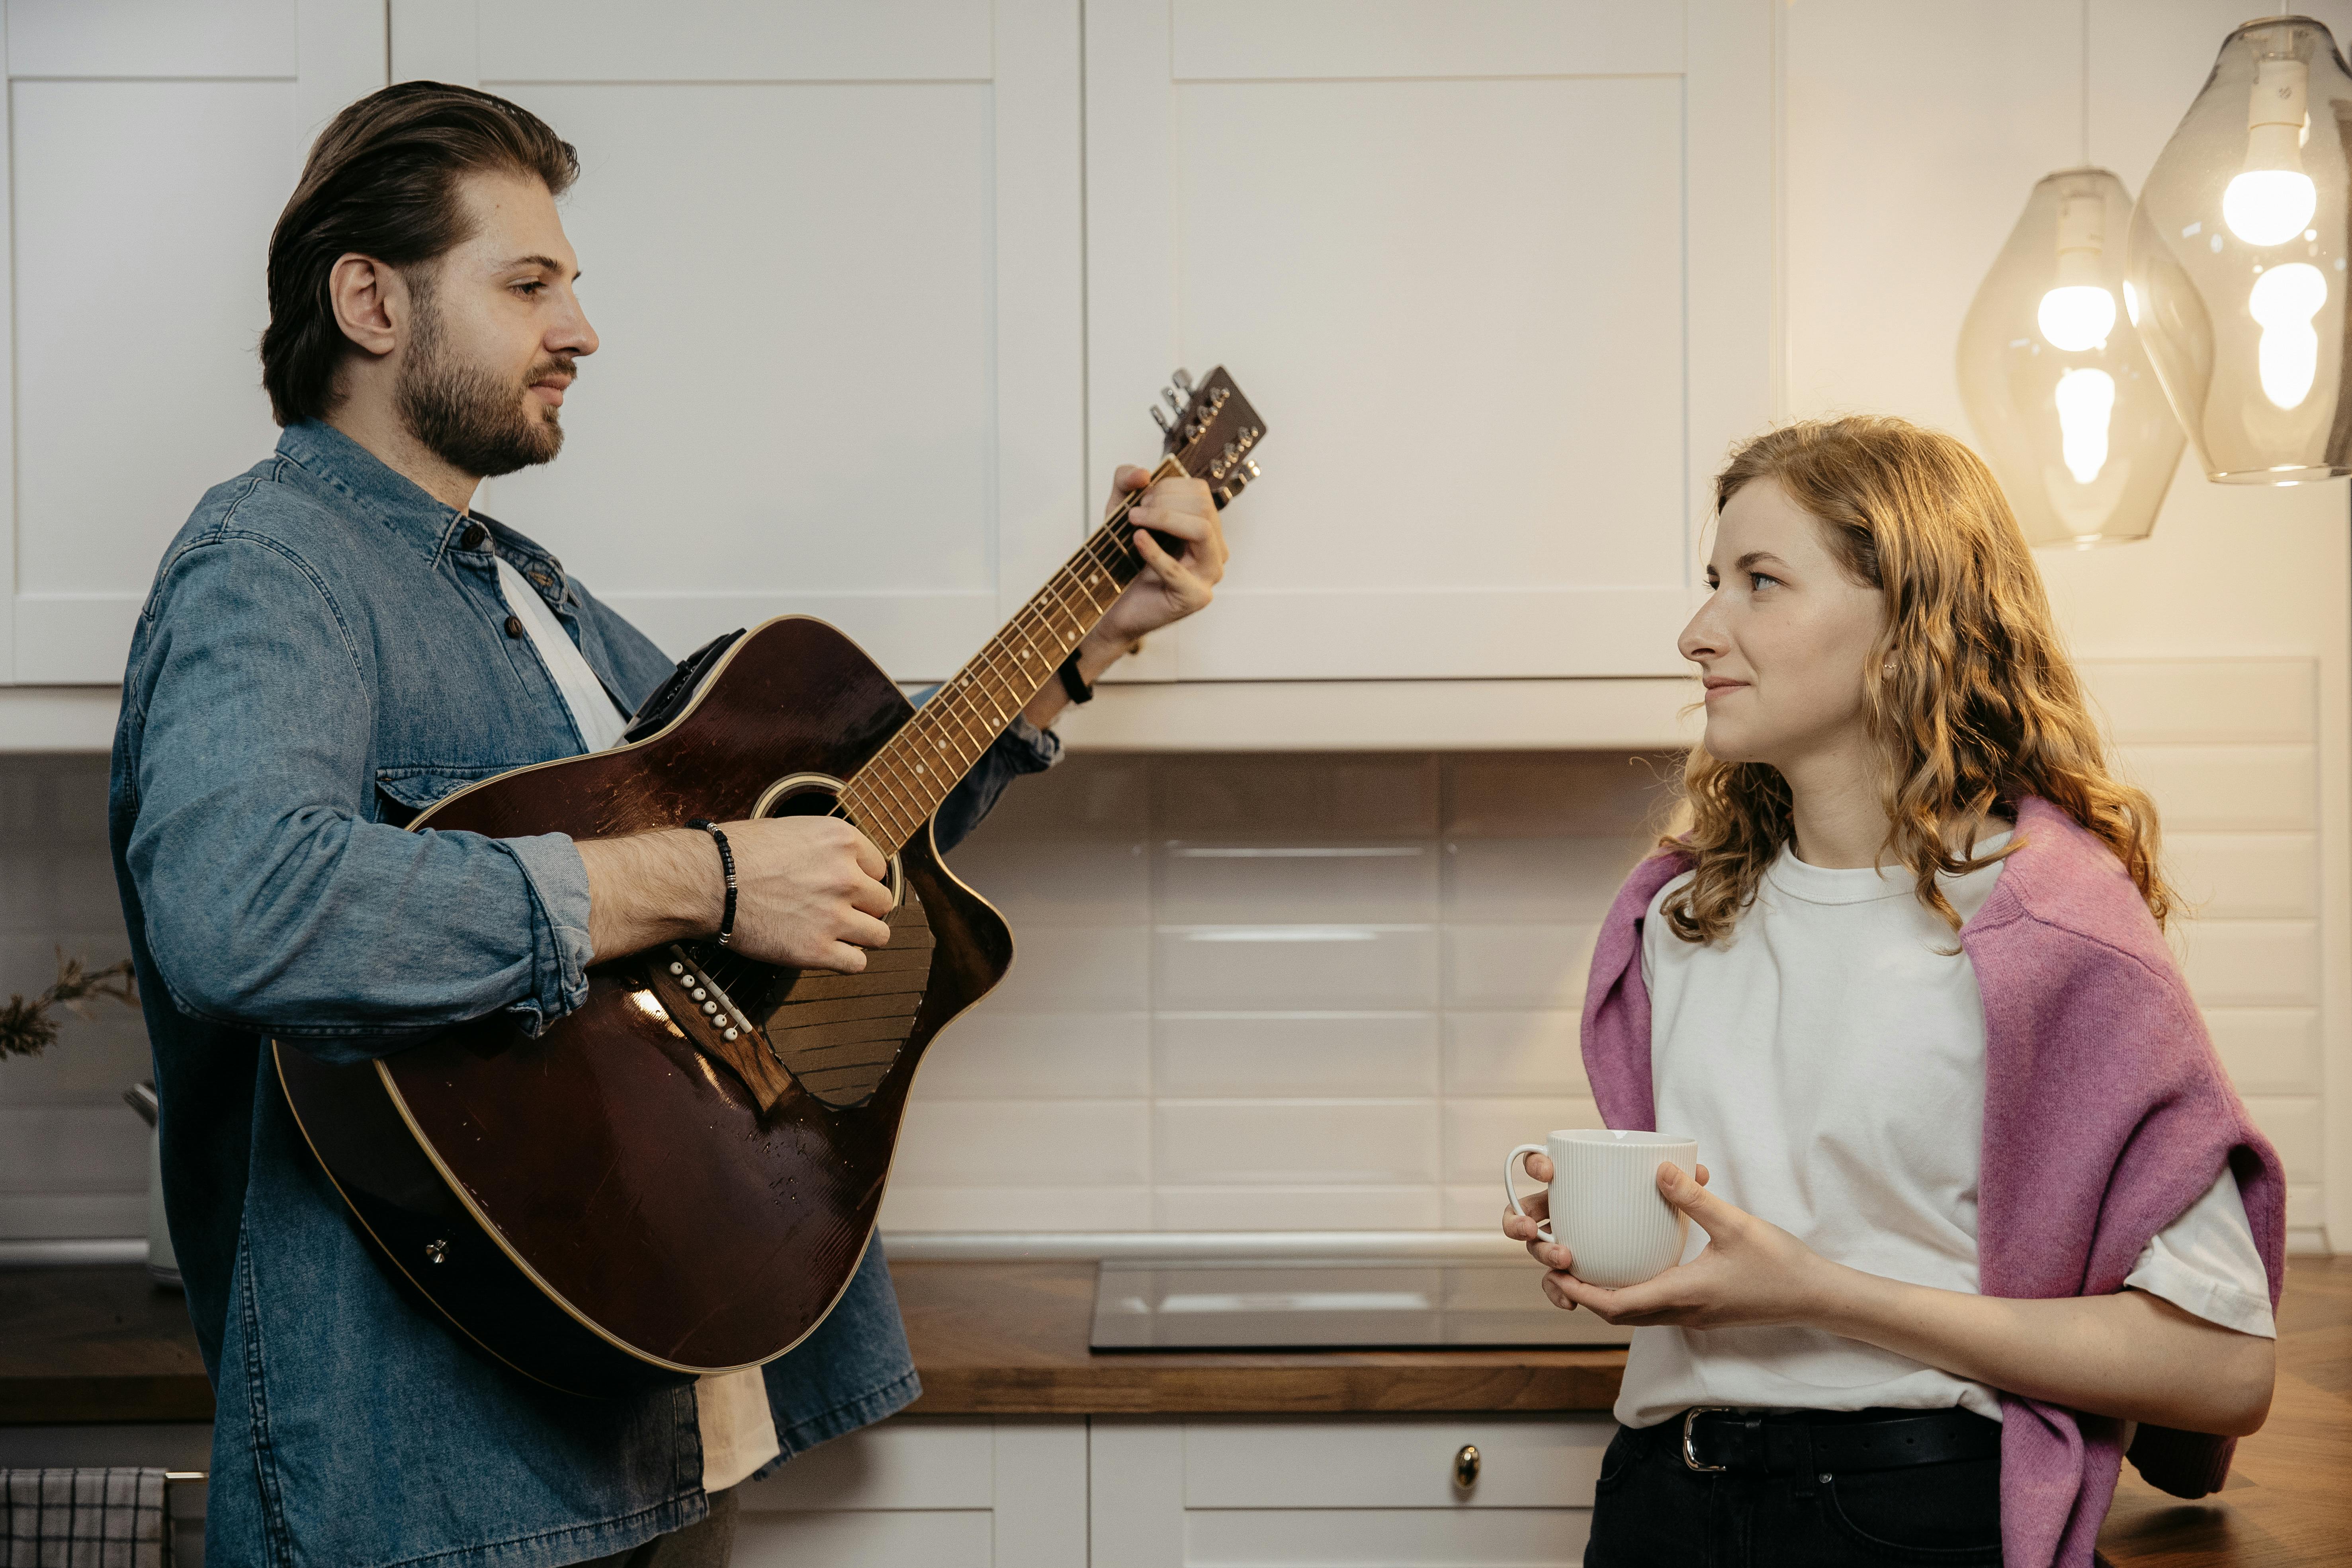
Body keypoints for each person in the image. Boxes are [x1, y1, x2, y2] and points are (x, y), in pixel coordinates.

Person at [107, 82, 1226, 1568]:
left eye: (572, 286)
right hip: (414, 1494)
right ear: (370, 301)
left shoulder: (518, 587)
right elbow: (239, 910)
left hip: (619, 1434)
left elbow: (833, 815)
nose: (580, 329)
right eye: (528, 284)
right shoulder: (272, 565)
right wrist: (697, 877)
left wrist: (1088, 640)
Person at [1502, 416, 2286, 1568]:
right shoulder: (1674, 917)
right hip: (1658, 1504)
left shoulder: (2052, 933)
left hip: (1910, 1515)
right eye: (1711, 580)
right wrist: (1604, 1240)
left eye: (1758, 582)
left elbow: (2223, 1368)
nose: (1695, 631)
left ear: (1907, 623)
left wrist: (1815, 1293)